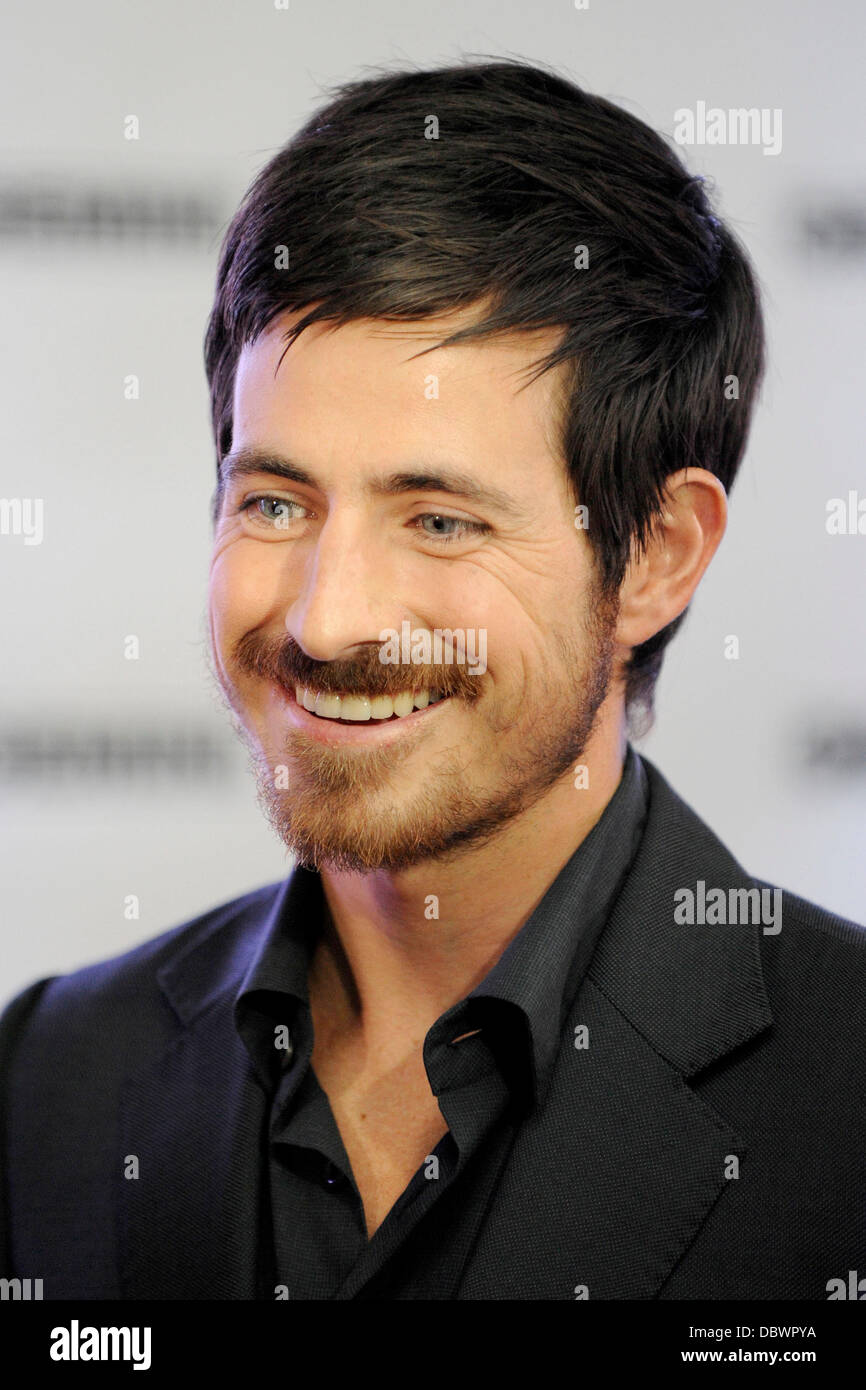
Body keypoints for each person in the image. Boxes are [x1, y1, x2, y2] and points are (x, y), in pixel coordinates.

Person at [1, 58, 863, 1302]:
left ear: (654, 557)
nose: (327, 616)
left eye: (441, 519)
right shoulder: (52, 1079)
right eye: (276, 501)